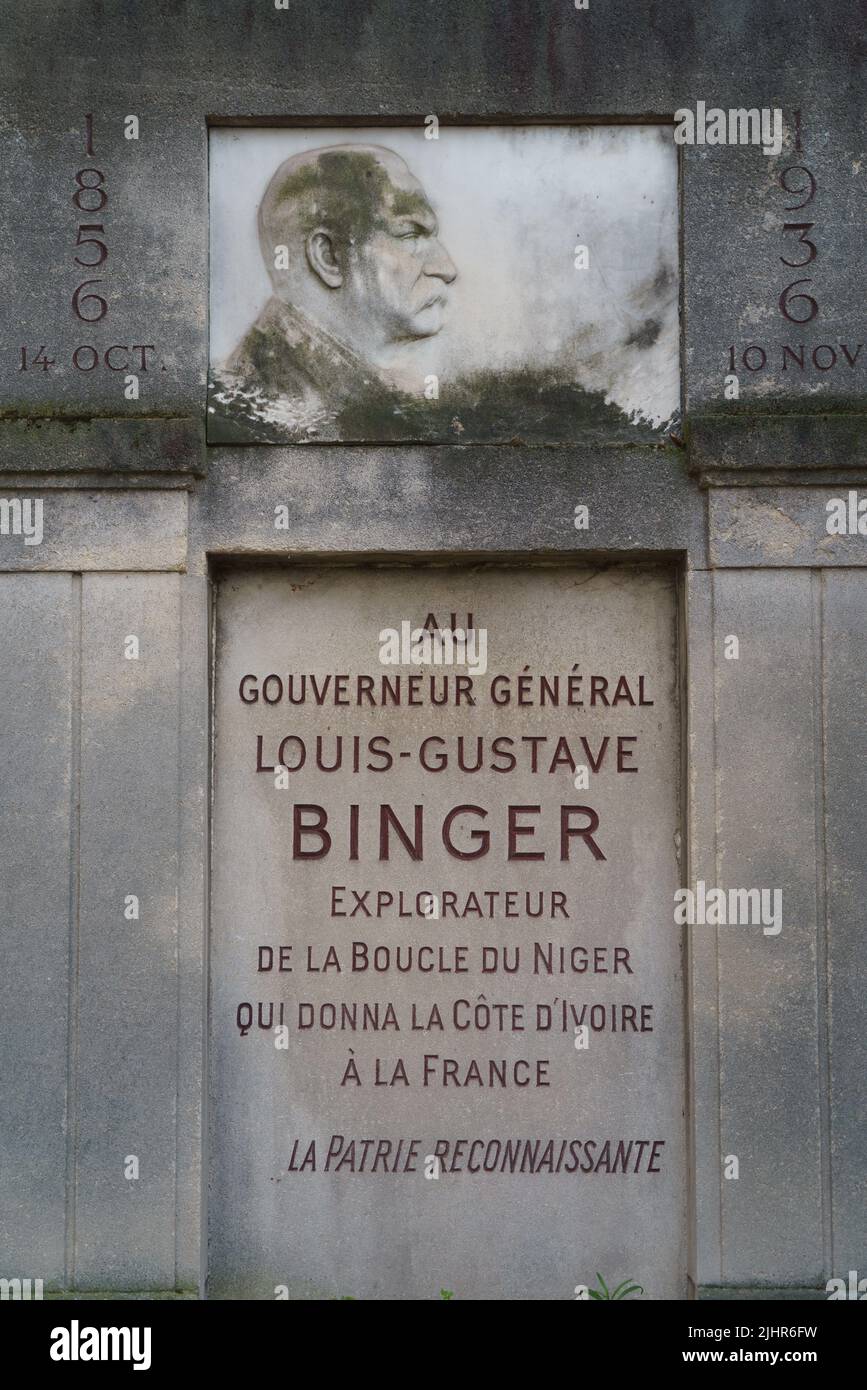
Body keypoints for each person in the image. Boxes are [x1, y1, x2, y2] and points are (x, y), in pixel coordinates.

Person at [212, 143, 457, 441]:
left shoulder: (380, 395)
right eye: (410, 235)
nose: (446, 268)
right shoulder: (261, 408)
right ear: (328, 257)